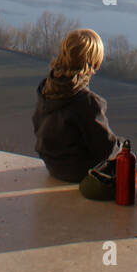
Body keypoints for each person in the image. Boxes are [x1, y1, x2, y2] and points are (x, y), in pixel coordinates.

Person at [32, 28, 123, 182]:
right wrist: (122, 145)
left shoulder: (45, 88)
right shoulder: (87, 102)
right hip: (78, 171)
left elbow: (37, 123)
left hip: (53, 165)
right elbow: (106, 149)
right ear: (94, 62)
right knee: (134, 166)